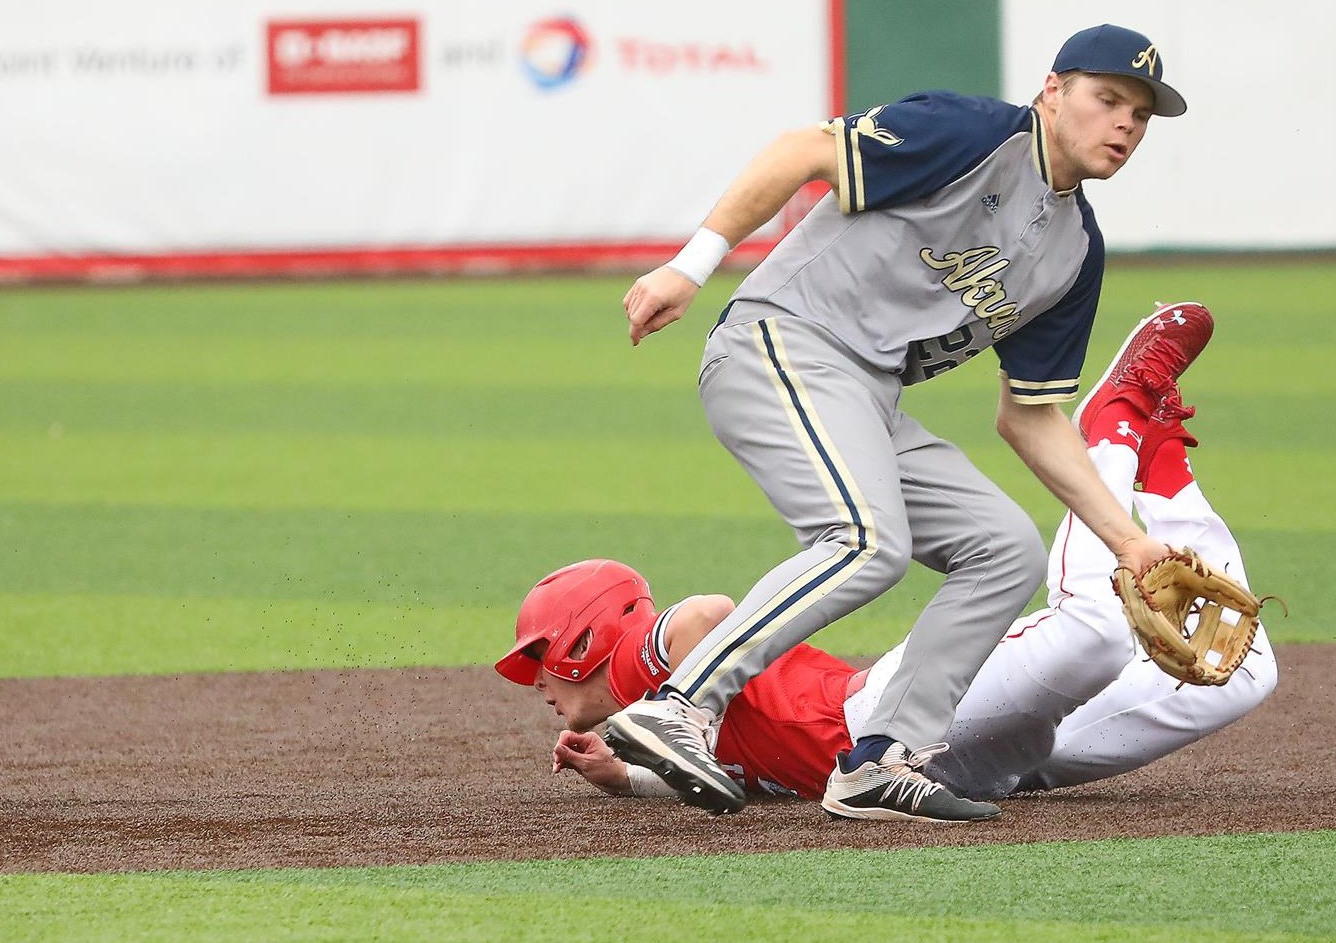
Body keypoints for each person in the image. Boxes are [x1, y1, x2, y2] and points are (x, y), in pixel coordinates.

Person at [600, 24, 1192, 821]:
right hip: (784, 341)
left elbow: (1030, 415)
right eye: (1108, 97)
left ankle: (880, 759)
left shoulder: (1075, 253)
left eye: (1141, 114)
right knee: (866, 541)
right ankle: (682, 704)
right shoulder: (974, 132)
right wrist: (691, 265)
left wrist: (1128, 542)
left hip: (868, 397)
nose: (1124, 122)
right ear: (1053, 91)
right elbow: (802, 151)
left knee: (1004, 549)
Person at [499, 302, 1276, 815]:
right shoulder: (673, 723)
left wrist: (645, 694)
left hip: (895, 719)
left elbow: (703, 615)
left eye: (539, 658)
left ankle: (1111, 426)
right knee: (1240, 676)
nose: (535, 684)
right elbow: (745, 777)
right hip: (978, 766)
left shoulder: (645, 668)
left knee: (1098, 633)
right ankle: (1163, 462)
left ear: (581, 643)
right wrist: (626, 776)